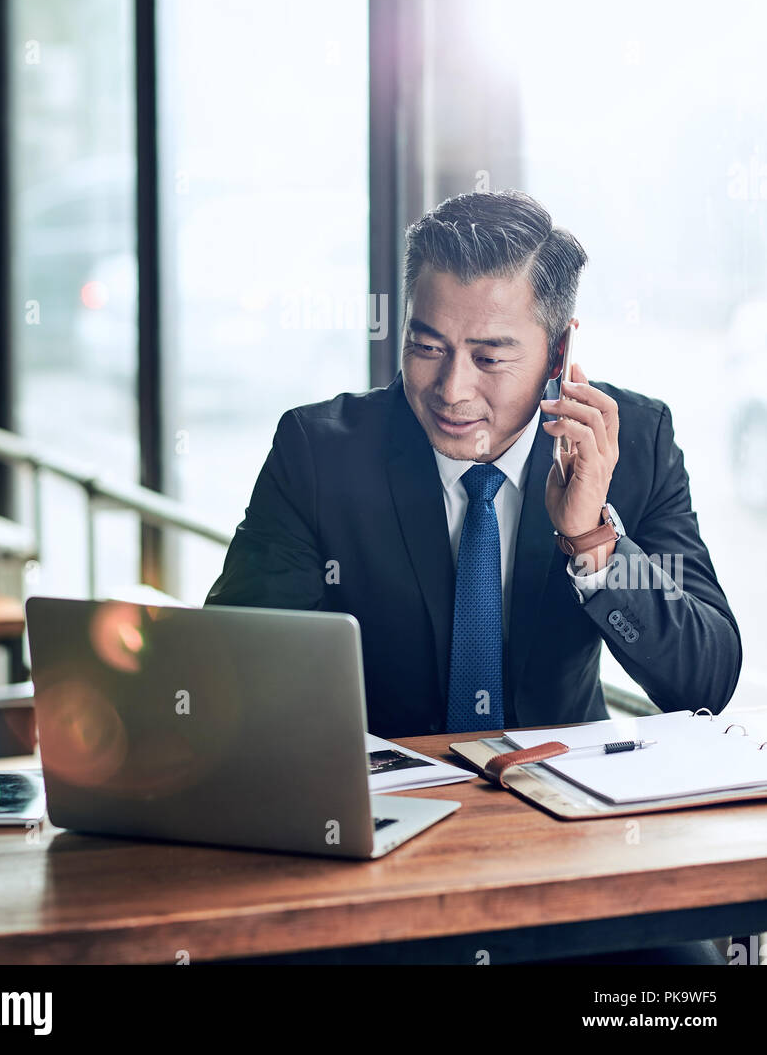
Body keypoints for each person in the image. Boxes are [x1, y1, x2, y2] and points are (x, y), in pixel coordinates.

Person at [207, 188, 739, 965]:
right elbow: (229, 676)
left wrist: (591, 539)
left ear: (559, 353)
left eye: (490, 357)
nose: (452, 389)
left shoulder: (635, 442)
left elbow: (706, 679)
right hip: (375, 853)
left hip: (567, 845)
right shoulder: (319, 454)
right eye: (427, 346)